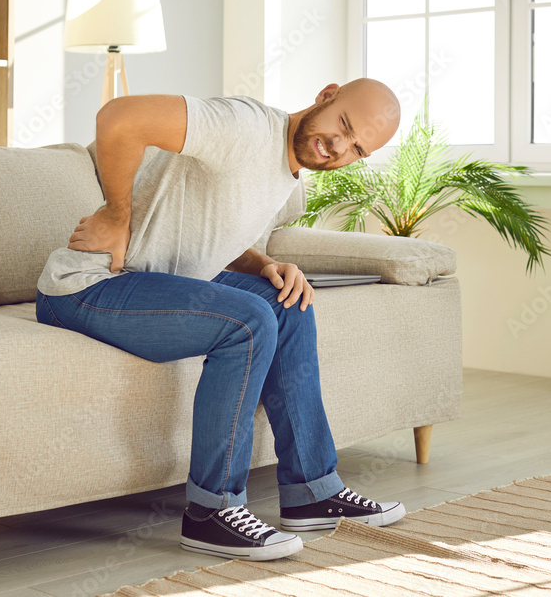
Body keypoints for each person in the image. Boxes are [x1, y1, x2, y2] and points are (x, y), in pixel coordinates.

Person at [35, 78, 404, 562]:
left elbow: (207, 236)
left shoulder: (286, 171)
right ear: (326, 95)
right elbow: (119, 117)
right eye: (344, 125)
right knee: (247, 320)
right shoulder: (246, 126)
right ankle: (212, 512)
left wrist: (264, 266)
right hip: (88, 287)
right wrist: (115, 214)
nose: (338, 146)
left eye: (356, 148)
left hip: (158, 286)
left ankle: (311, 491)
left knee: (286, 300)